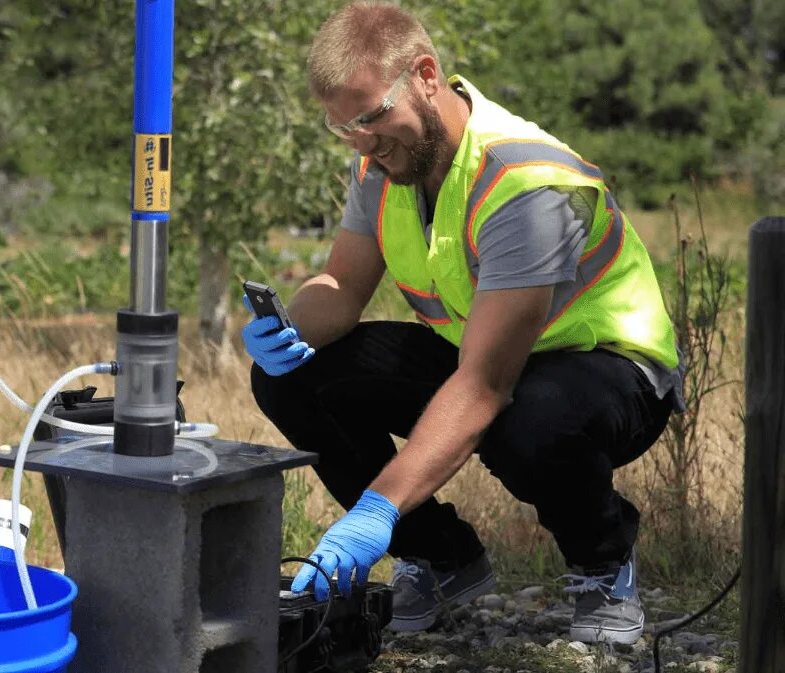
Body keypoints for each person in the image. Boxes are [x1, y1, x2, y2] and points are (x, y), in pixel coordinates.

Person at [242, 1, 683, 645]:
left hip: (610, 373)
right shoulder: (383, 162)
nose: (361, 141)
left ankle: (603, 564)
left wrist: (377, 508)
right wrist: (284, 329)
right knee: (293, 379)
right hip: (489, 359)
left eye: (370, 117)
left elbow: (484, 387)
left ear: (425, 75)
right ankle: (442, 558)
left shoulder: (526, 183)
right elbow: (339, 290)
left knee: (529, 422)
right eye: (342, 128)